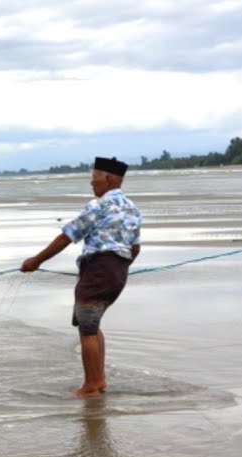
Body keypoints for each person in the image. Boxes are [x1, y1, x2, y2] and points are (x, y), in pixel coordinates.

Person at [21, 156, 142, 398]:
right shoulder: (132, 208)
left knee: (87, 328)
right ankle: (99, 380)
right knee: (93, 325)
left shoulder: (98, 206)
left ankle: (91, 386)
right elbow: (135, 248)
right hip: (117, 273)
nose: (91, 182)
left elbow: (67, 236)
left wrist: (36, 261)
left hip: (98, 269)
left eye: (94, 177)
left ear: (108, 179)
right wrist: (119, 268)